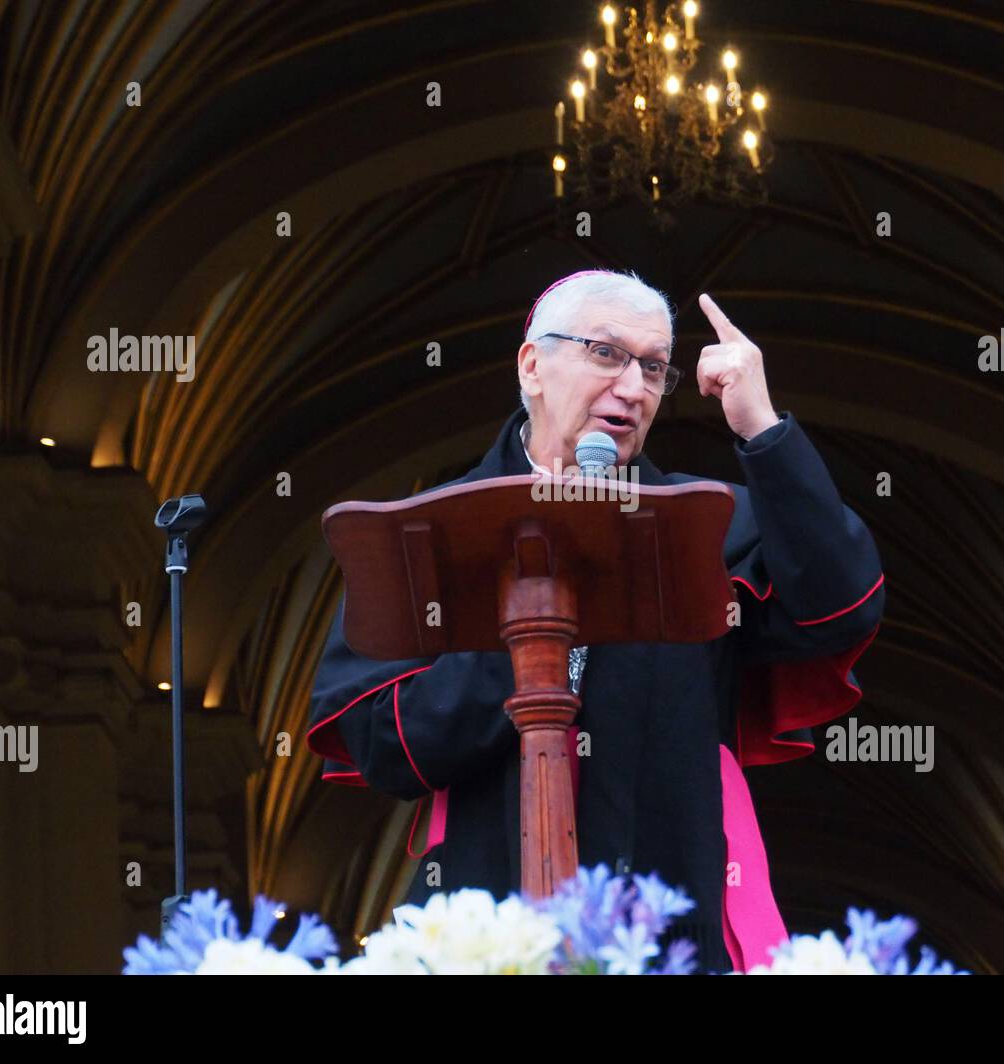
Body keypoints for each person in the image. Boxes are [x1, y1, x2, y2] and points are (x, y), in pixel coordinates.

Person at [305, 269, 885, 973]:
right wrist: (543, 636)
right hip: (494, 929)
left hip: (673, 922)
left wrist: (761, 428)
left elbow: (839, 605)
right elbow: (382, 740)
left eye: (653, 368)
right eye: (606, 354)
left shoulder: (705, 526)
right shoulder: (431, 533)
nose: (634, 388)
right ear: (532, 367)